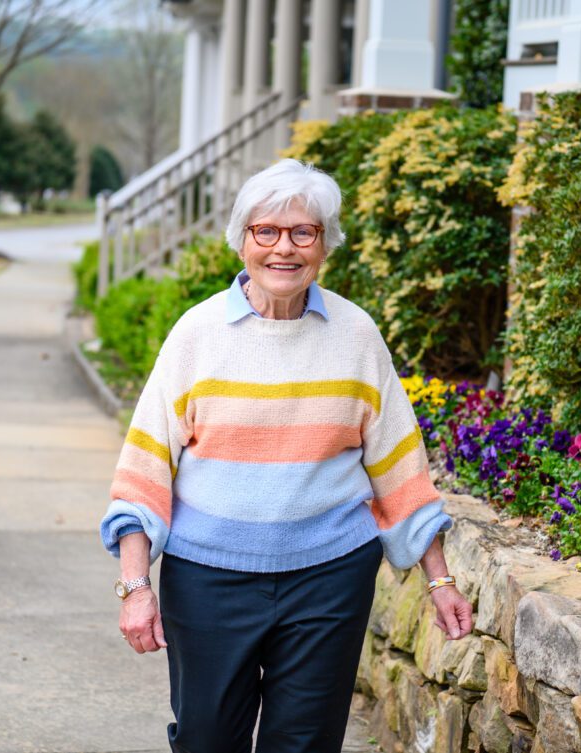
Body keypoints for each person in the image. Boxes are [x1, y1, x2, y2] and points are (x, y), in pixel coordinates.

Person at [99, 158, 474, 753]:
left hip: (328, 579)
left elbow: (400, 471)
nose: (284, 248)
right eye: (266, 231)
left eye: (304, 232)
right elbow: (143, 476)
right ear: (241, 241)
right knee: (206, 740)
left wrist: (441, 580)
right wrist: (134, 585)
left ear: (325, 244)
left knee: (303, 743)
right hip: (208, 579)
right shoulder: (197, 335)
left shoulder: (355, 335)